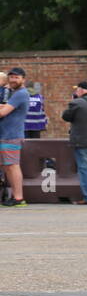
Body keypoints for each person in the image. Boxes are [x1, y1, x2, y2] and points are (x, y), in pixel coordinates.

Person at [0, 67, 31, 207]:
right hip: (6, 135)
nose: (13, 80)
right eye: (11, 77)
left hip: (11, 135)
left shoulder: (21, 94)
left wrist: (3, 108)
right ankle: (15, 197)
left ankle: (19, 198)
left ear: (23, 79)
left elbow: (3, 112)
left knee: (12, 166)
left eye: (16, 77)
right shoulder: (14, 93)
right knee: (7, 167)